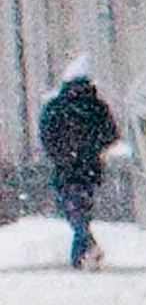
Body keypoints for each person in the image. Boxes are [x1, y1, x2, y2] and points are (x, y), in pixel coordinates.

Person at [37, 54, 116, 271]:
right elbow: (110, 134)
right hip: (89, 168)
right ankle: (84, 250)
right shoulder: (97, 106)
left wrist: (60, 154)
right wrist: (91, 149)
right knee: (82, 208)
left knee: (73, 209)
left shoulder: (55, 107)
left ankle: (85, 247)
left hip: (65, 168)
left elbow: (46, 136)